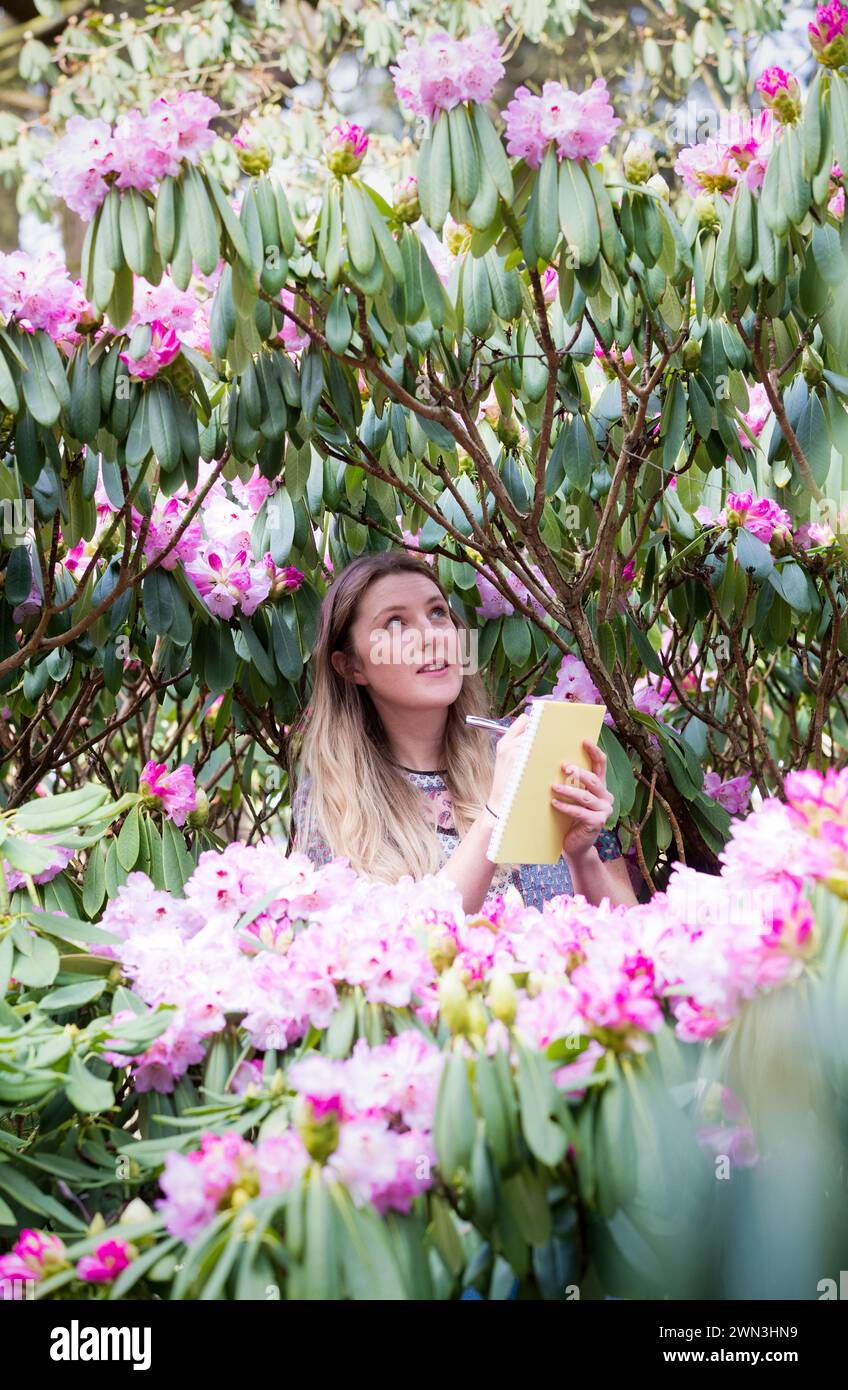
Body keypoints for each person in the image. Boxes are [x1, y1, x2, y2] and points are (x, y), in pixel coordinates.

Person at [287, 550, 638, 915]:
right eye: (394, 623)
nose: (431, 636)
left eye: (438, 613)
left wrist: (581, 856)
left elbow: (632, 931)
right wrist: (495, 817)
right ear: (351, 666)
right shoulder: (333, 799)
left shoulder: (528, 749)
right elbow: (401, 951)